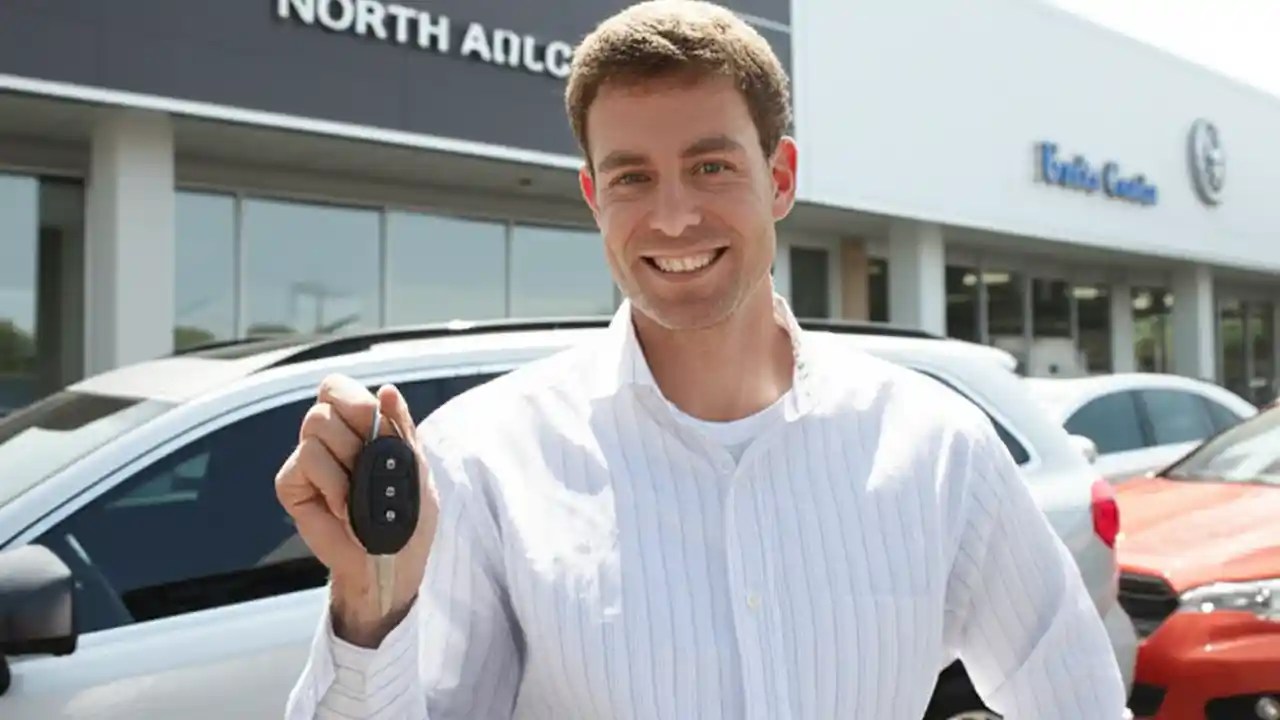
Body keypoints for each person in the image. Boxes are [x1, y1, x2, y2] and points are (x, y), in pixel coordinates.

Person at [275, 1, 1129, 717]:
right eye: (632, 177)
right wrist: (367, 607)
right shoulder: (480, 464)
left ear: (781, 177)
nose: (674, 217)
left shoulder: (938, 448)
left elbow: (1079, 699)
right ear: (593, 197)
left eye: (711, 165)